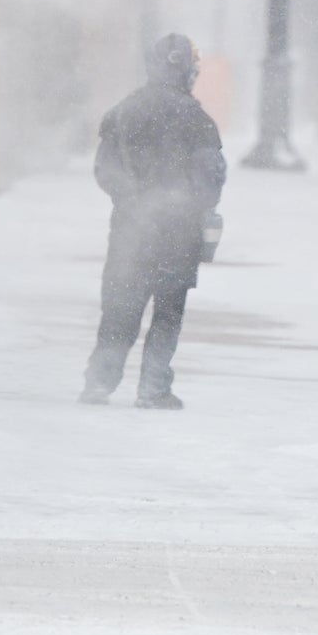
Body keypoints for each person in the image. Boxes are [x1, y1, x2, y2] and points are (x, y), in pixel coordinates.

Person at [80, 33, 226, 410]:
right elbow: (211, 177)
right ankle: (153, 388)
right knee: (167, 312)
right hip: (178, 237)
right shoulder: (197, 120)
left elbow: (104, 169)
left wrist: (133, 200)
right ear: (183, 70)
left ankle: (99, 382)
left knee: (119, 309)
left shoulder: (123, 112)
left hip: (130, 231)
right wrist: (189, 206)